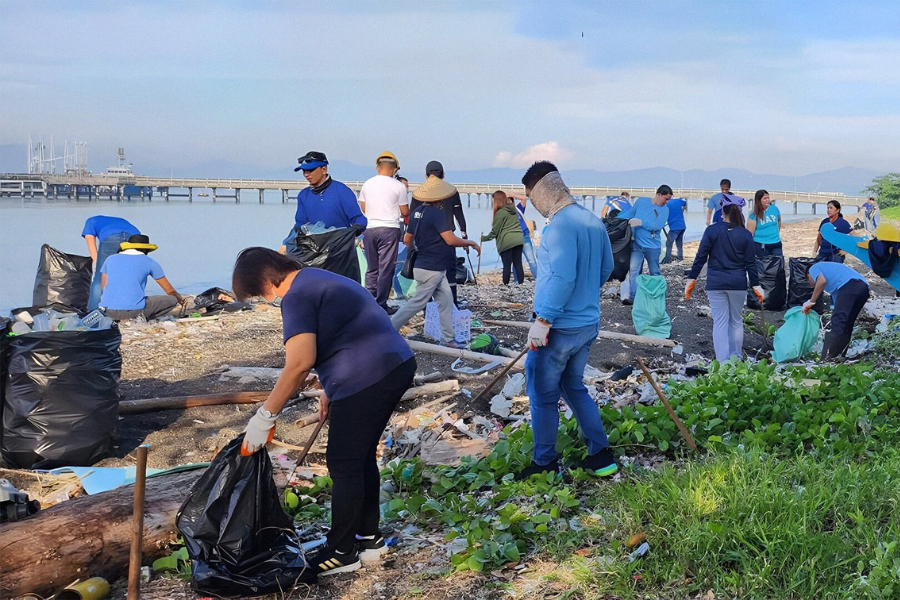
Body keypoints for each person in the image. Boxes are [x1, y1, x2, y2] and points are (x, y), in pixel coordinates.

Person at [234, 248, 416, 577]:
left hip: (368, 373)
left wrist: (265, 417)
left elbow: (299, 363)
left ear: (264, 283)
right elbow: (343, 333)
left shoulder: (295, 296)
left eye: (258, 295)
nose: (264, 301)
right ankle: (368, 539)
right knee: (359, 458)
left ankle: (341, 552)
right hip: (395, 364)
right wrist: (331, 388)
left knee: (343, 463)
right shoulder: (319, 278)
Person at [516, 161, 617, 480]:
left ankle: (544, 464)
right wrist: (584, 297)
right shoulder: (591, 221)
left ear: (544, 191)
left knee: (542, 395)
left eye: (530, 196)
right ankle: (601, 456)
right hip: (587, 324)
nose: (532, 203)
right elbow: (606, 268)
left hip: (558, 329)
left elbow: (561, 276)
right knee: (573, 386)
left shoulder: (558, 226)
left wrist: (543, 319)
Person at [390, 184, 480, 346]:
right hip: (431, 268)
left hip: (427, 266)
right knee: (417, 303)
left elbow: (407, 239)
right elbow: (450, 239)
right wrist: (471, 242)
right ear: (439, 198)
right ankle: (388, 329)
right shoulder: (437, 214)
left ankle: (448, 339)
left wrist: (420, 248)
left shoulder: (416, 212)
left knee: (446, 301)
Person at [685, 195, 764, 362]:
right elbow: (751, 263)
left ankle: (722, 363)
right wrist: (756, 285)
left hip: (716, 282)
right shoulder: (745, 234)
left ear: (723, 212)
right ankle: (735, 359)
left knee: (720, 322)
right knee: (736, 321)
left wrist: (691, 279)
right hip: (738, 283)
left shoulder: (712, 230)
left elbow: (701, 257)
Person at [409, 161, 468, 305]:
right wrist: (464, 234)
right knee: (450, 271)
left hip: (424, 238)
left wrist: (410, 242)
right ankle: (452, 302)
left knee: (427, 270)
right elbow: (459, 214)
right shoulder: (452, 191)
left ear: (426, 175)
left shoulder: (419, 193)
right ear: (443, 174)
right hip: (447, 237)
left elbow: (412, 216)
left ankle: (427, 304)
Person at [358, 151, 409, 314]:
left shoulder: (368, 184)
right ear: (394, 169)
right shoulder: (399, 186)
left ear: (378, 167)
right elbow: (405, 211)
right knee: (386, 268)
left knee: (372, 268)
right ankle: (381, 304)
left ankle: (368, 301)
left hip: (370, 229)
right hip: (389, 229)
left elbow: (363, 207)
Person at [99, 234, 186, 321]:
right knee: (172, 299)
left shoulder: (110, 259)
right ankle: (142, 318)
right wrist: (179, 299)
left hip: (108, 311)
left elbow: (104, 286)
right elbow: (169, 290)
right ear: (146, 250)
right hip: (134, 311)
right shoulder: (150, 262)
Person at [617, 185, 672, 305]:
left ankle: (657, 296)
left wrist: (641, 222)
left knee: (654, 272)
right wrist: (615, 219)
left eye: (669, 199)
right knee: (634, 270)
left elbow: (657, 225)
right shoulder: (642, 201)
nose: (667, 202)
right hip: (636, 244)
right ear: (658, 195)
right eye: (666, 198)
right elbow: (630, 213)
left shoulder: (665, 210)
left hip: (653, 247)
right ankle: (634, 297)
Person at [804, 262, 870, 359]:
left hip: (850, 285)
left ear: (809, 276)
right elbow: (837, 303)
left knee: (838, 322)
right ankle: (839, 355)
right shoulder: (834, 283)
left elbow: (821, 281)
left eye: (808, 280)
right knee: (847, 324)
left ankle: (829, 356)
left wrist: (811, 301)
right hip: (863, 288)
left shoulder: (813, 268)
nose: (810, 284)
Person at [291, 151, 367, 231]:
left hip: (341, 242)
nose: (306, 174)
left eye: (310, 170)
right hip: (313, 241)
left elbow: (358, 218)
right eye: (304, 171)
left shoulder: (342, 191)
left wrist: (357, 229)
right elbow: (300, 224)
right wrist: (287, 242)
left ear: (324, 169)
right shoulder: (303, 195)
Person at [82, 215, 141, 310]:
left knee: (100, 278)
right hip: (136, 238)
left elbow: (90, 242)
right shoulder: (121, 220)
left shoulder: (90, 221)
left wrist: (98, 264)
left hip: (112, 238)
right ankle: (130, 310)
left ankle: (93, 313)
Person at [481, 191, 525, 284]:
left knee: (507, 265)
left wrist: (483, 238)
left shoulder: (500, 212)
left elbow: (494, 231)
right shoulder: (513, 210)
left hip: (507, 241)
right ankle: (521, 284)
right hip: (518, 239)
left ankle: (506, 284)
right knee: (518, 263)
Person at [505, 191, 539, 276]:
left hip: (525, 237)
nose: (508, 203)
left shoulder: (518, 209)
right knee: (516, 262)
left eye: (510, 201)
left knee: (532, 261)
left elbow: (524, 198)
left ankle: (539, 279)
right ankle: (517, 282)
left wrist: (511, 194)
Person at [747, 189, 783, 257]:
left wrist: (776, 233)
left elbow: (778, 221)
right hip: (760, 244)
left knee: (778, 263)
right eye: (765, 198)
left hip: (775, 242)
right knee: (763, 265)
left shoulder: (774, 209)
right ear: (759, 200)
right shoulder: (754, 215)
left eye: (768, 198)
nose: (767, 200)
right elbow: (749, 233)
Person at [661, 195, 687, 263]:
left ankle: (667, 259)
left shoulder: (665, 205)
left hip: (674, 228)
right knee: (679, 243)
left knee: (668, 243)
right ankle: (680, 258)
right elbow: (685, 202)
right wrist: (683, 208)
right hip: (682, 226)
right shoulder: (678, 201)